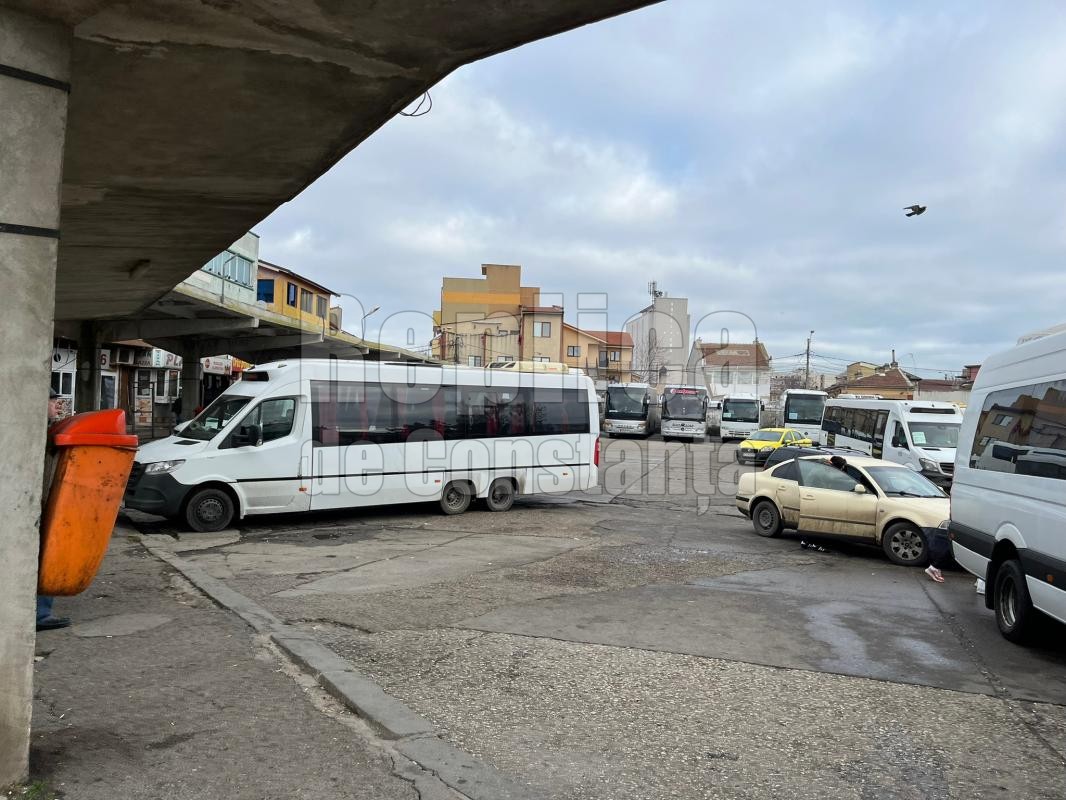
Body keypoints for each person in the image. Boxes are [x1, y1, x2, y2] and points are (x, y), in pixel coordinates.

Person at [37, 388, 71, 631]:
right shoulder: (39, 432)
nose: (57, 405)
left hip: (38, 503)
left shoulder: (46, 430)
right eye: (53, 401)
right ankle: (40, 614)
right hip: (35, 505)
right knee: (43, 556)